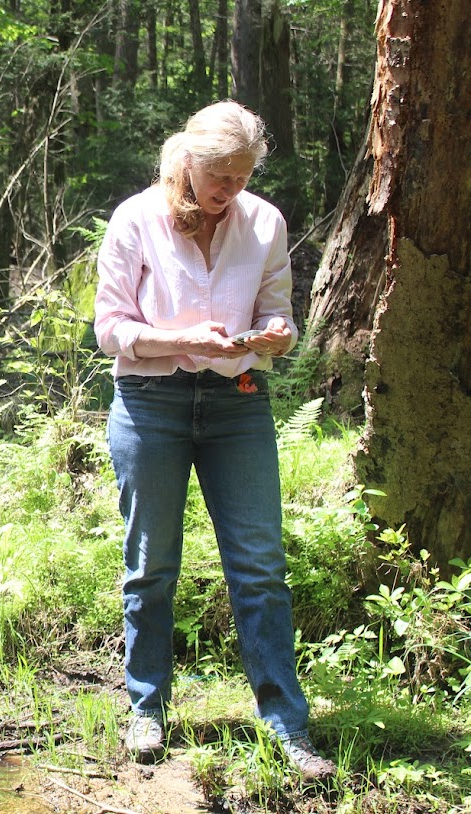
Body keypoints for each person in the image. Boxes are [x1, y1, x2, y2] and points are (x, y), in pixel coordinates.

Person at [93, 101, 334, 781]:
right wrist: (178, 341)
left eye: (242, 175)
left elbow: (277, 308)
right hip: (150, 404)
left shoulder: (264, 222)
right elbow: (110, 328)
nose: (230, 190)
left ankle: (287, 725)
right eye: (220, 175)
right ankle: (147, 709)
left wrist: (278, 334)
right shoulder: (136, 218)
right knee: (150, 566)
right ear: (189, 161)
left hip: (238, 404)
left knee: (259, 568)